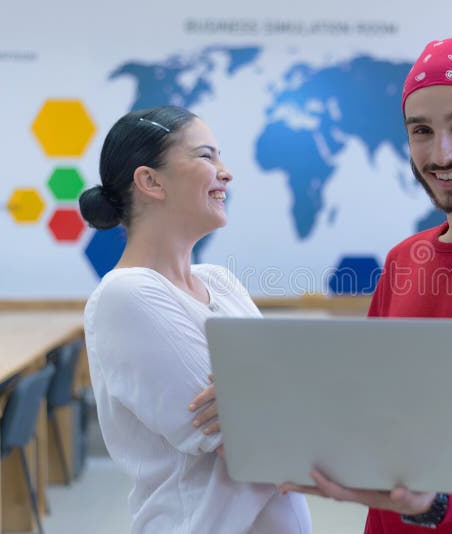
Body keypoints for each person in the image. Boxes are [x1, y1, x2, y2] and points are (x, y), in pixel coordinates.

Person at [191, 30, 452, 533]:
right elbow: (370, 405)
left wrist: (442, 503)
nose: (440, 154)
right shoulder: (404, 260)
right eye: (420, 131)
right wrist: (269, 399)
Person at [79, 105, 311, 534]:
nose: (225, 173)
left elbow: (279, 401)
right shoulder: (126, 296)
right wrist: (280, 390)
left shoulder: (219, 283)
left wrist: (272, 391)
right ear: (150, 180)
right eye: (206, 157)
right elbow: (250, 439)